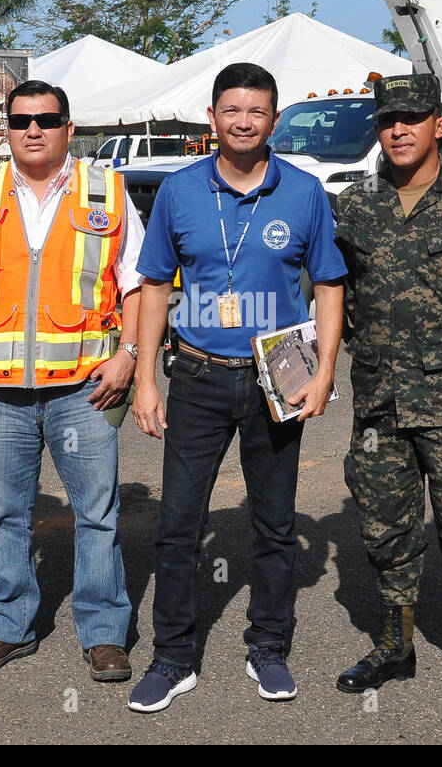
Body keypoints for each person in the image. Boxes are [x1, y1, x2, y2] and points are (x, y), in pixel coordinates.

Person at [128, 62, 346, 712]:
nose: (243, 121)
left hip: (278, 376)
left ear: (273, 121)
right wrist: (145, 377)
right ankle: (172, 657)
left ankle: (269, 648)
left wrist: (327, 368)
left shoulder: (304, 192)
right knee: (176, 523)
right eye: (231, 110)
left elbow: (330, 283)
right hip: (195, 373)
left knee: (275, 523)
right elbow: (156, 285)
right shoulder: (180, 190)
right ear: (213, 117)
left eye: (256, 111)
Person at [0, 79, 143, 682]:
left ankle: (104, 632)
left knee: (97, 513)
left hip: (85, 387)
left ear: (68, 129)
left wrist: (128, 355)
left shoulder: (108, 190)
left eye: (47, 120)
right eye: (22, 119)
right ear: (7, 127)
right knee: (2, 513)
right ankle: (7, 626)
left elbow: (138, 282)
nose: (33, 129)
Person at [331, 74, 442, 722]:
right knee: (384, 525)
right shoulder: (355, 207)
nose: (398, 129)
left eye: (413, 117)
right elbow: (332, 295)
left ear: (439, 125)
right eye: (387, 119)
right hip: (379, 401)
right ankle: (396, 642)